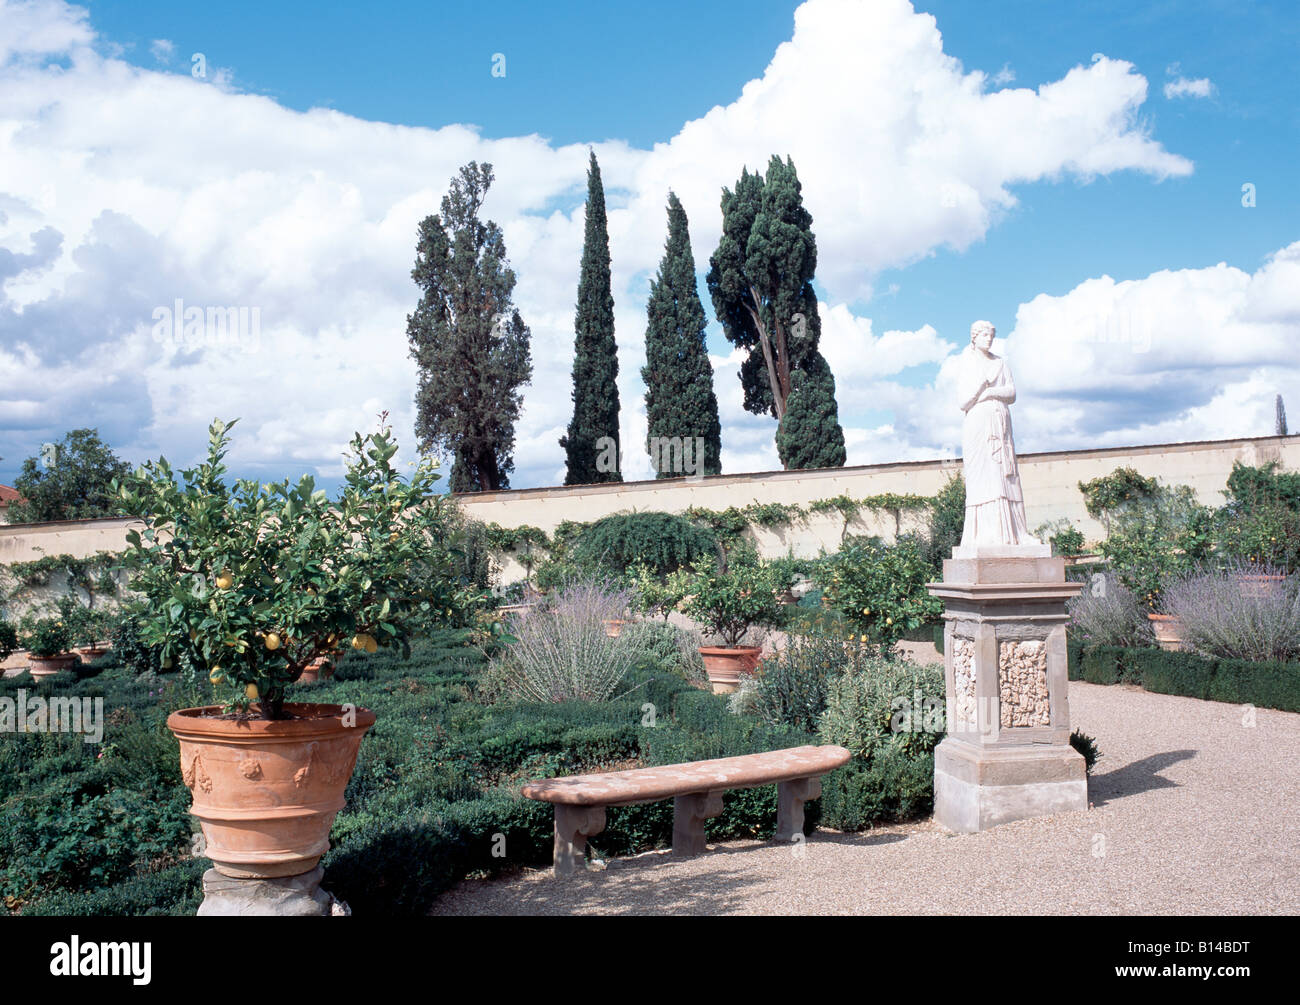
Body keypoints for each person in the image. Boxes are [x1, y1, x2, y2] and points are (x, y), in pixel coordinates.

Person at [955, 320, 1037, 549]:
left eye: (991, 335)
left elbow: (1012, 393)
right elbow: (963, 401)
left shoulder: (1001, 363)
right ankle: (986, 533)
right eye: (983, 335)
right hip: (978, 426)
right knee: (985, 476)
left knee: (1006, 474)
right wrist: (981, 386)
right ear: (974, 337)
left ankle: (1018, 532)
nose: (988, 339)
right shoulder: (968, 364)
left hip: (1000, 423)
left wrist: (991, 391)